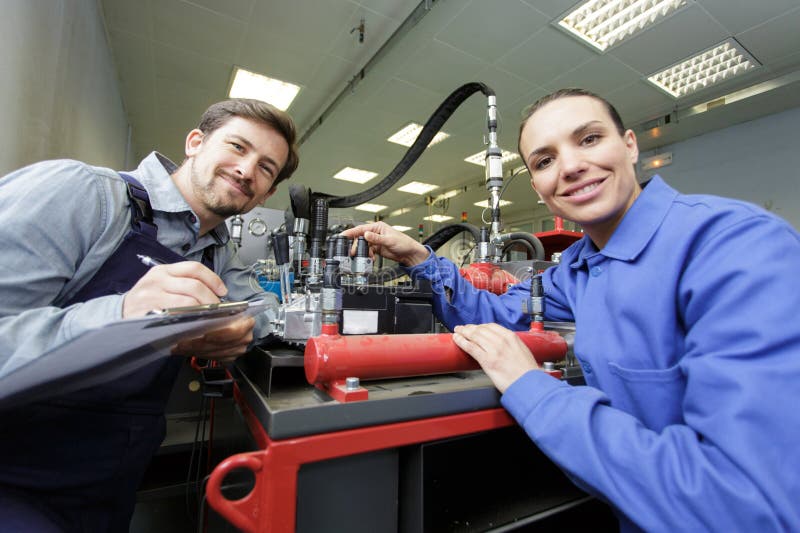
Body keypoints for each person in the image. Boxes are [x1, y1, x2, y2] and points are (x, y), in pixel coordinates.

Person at [341, 88, 800, 531]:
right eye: (544, 160)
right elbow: (492, 314)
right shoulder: (580, 268)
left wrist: (532, 388)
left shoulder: (733, 245)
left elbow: (742, 504)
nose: (573, 166)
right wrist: (419, 258)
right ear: (539, 188)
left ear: (630, 145)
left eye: (589, 139)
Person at [0, 98, 299, 531]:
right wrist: (124, 315)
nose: (246, 170)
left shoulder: (218, 252)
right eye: (237, 146)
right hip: (15, 481)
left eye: (266, 168)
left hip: (110, 488)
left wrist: (241, 327)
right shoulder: (84, 195)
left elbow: (263, 308)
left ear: (267, 194)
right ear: (195, 142)